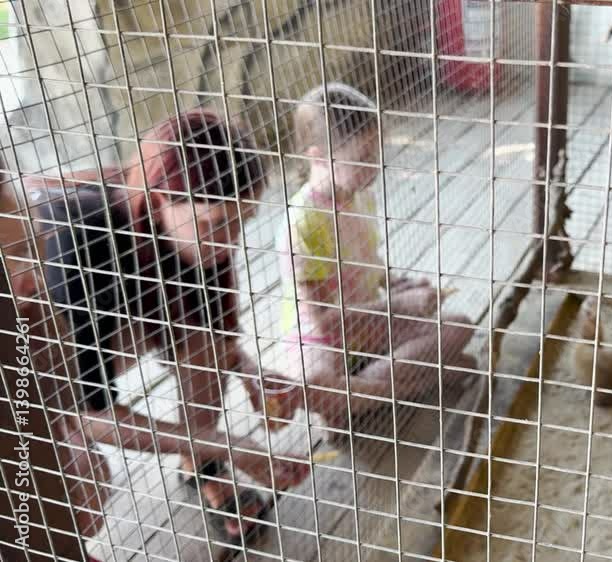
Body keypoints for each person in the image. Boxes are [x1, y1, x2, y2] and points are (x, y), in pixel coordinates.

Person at [17, 111, 310, 545]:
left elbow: (213, 333)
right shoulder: (82, 240)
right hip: (29, 378)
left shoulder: (191, 237)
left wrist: (252, 374)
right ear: (158, 204)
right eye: (215, 224)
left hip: (116, 316)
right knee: (85, 484)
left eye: (241, 221)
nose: (230, 241)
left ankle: (202, 467)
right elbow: (86, 409)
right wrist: (223, 442)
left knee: (205, 345)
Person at [270, 83, 476, 434]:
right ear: (319, 156)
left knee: (460, 326)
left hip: (370, 325)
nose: (374, 166)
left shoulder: (359, 196)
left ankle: (359, 398)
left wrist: (397, 285)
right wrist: (399, 306)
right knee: (315, 384)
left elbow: (369, 261)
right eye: (363, 157)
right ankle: (411, 386)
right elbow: (324, 324)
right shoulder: (301, 224)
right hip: (323, 341)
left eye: (375, 153)